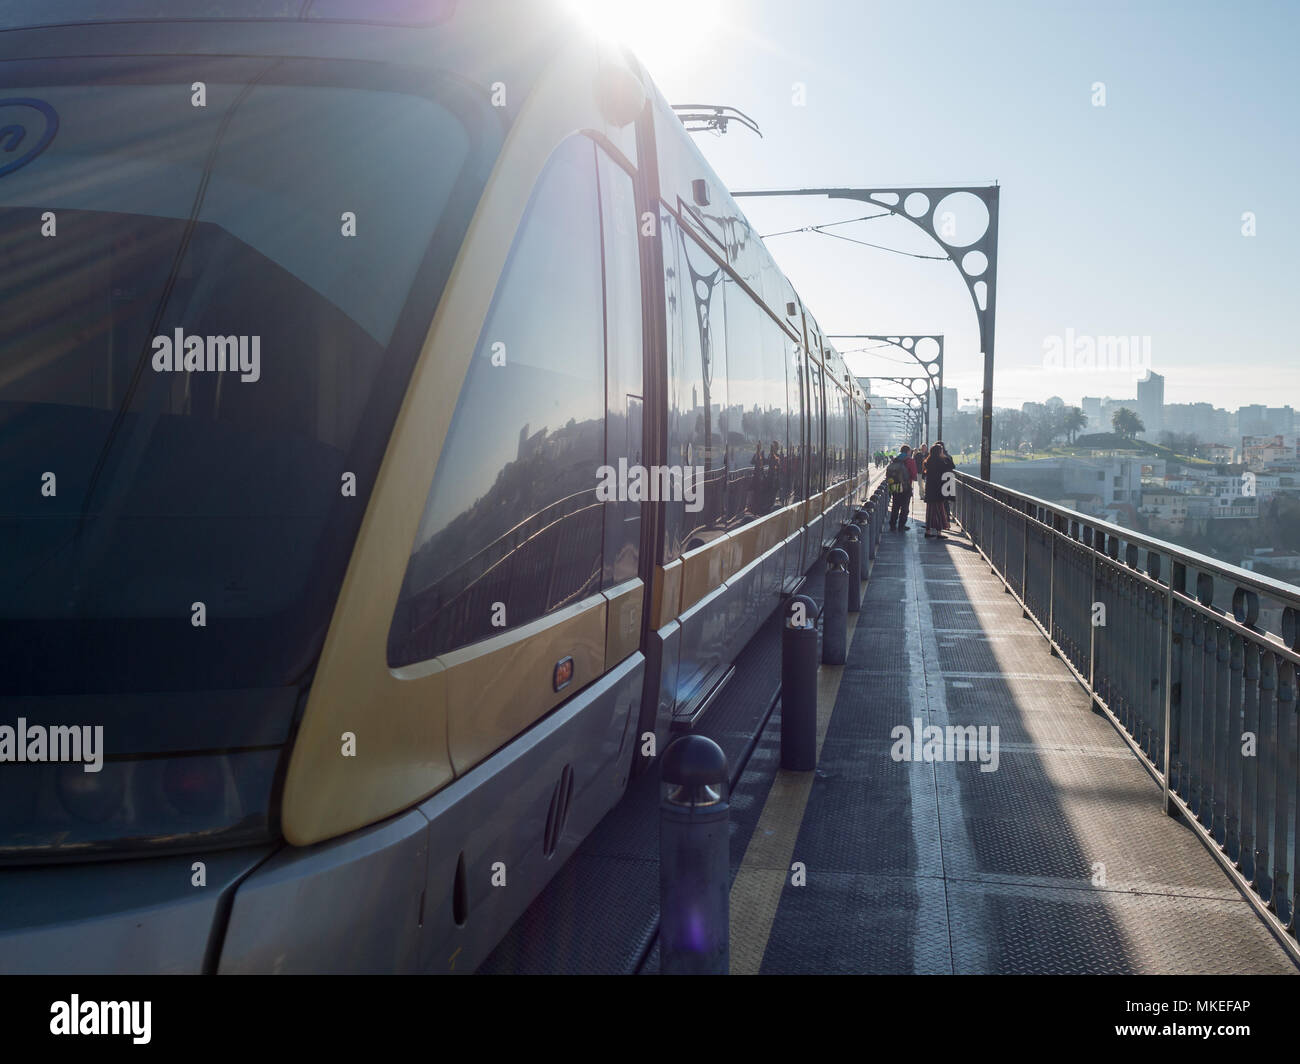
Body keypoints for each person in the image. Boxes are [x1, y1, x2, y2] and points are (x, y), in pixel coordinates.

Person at [924, 441, 955, 538]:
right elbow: (952, 466)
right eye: (941, 451)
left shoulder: (928, 461)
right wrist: (945, 457)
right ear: (939, 452)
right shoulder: (941, 462)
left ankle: (928, 531)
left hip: (930, 489)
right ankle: (939, 532)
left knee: (930, 511)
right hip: (938, 490)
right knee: (939, 511)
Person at [886, 446, 914, 531]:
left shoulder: (895, 459)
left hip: (895, 486)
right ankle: (901, 525)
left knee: (895, 506)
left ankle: (892, 524)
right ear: (908, 451)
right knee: (904, 507)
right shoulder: (910, 461)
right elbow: (914, 474)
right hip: (906, 487)